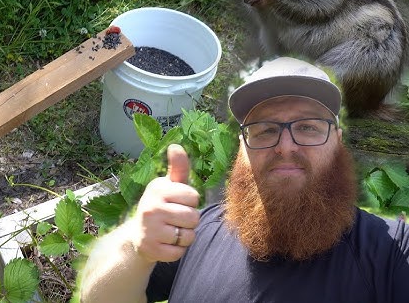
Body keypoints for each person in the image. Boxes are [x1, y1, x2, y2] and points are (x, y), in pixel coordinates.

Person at [79, 57, 409, 302]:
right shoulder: (199, 226)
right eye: (265, 130)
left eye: (308, 127)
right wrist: (135, 247)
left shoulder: (390, 251)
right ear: (242, 147)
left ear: (337, 140)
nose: (285, 147)